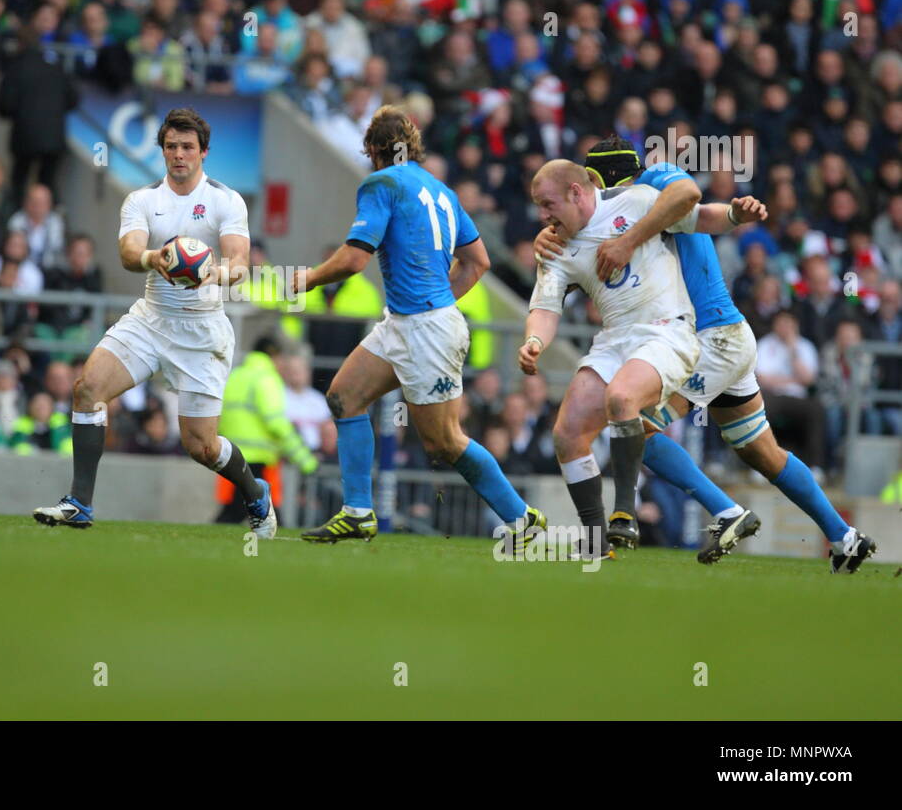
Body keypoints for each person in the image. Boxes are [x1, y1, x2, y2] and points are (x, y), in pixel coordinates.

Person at [538, 136, 876, 572]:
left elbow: (690, 195)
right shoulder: (615, 214)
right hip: (723, 337)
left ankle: (727, 512)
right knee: (763, 454)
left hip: (707, 338)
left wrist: (727, 215)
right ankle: (844, 537)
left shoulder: (656, 182)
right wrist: (548, 234)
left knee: (637, 427)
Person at [289, 105, 546, 545]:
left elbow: (354, 259)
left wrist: (307, 279)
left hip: (427, 328)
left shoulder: (380, 183)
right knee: (343, 397)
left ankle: (522, 519)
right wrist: (439, 301)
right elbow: (478, 261)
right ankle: (357, 513)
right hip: (405, 322)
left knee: (444, 442)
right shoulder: (443, 192)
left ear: (372, 149)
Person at [32, 108, 276, 537]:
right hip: (151, 319)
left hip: (202, 332)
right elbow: (129, 252)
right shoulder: (142, 200)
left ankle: (255, 492)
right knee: (87, 388)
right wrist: (154, 258)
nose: (178, 155)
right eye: (170, 147)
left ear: (203, 152)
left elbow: (239, 260)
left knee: (201, 446)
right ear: (162, 150)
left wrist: (214, 272)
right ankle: (80, 504)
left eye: (187, 147)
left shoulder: (226, 200)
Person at [520, 158, 764, 557]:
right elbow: (546, 307)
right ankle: (597, 539)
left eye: (547, 204)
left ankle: (624, 515)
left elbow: (702, 216)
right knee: (567, 434)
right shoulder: (556, 245)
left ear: (576, 192)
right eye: (538, 206)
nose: (542, 216)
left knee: (622, 398)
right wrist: (534, 341)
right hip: (614, 340)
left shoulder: (636, 202)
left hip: (667, 332)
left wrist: (737, 213)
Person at [214, 336, 319, 523]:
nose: (282, 365)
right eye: (281, 359)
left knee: (243, 508)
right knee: (247, 509)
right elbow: (276, 424)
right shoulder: (267, 379)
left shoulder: (236, 375)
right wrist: (306, 461)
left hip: (232, 454)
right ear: (274, 355)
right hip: (256, 457)